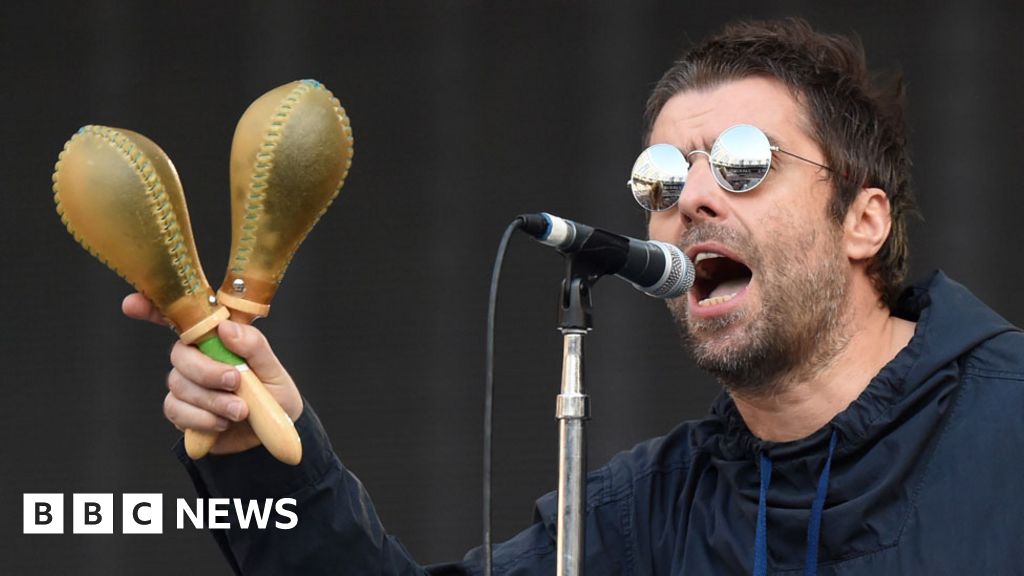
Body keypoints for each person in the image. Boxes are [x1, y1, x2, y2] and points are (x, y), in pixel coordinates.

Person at [124, 18, 1024, 575]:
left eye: (746, 164)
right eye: (662, 178)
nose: (694, 199)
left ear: (863, 221)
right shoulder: (646, 513)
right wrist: (255, 456)